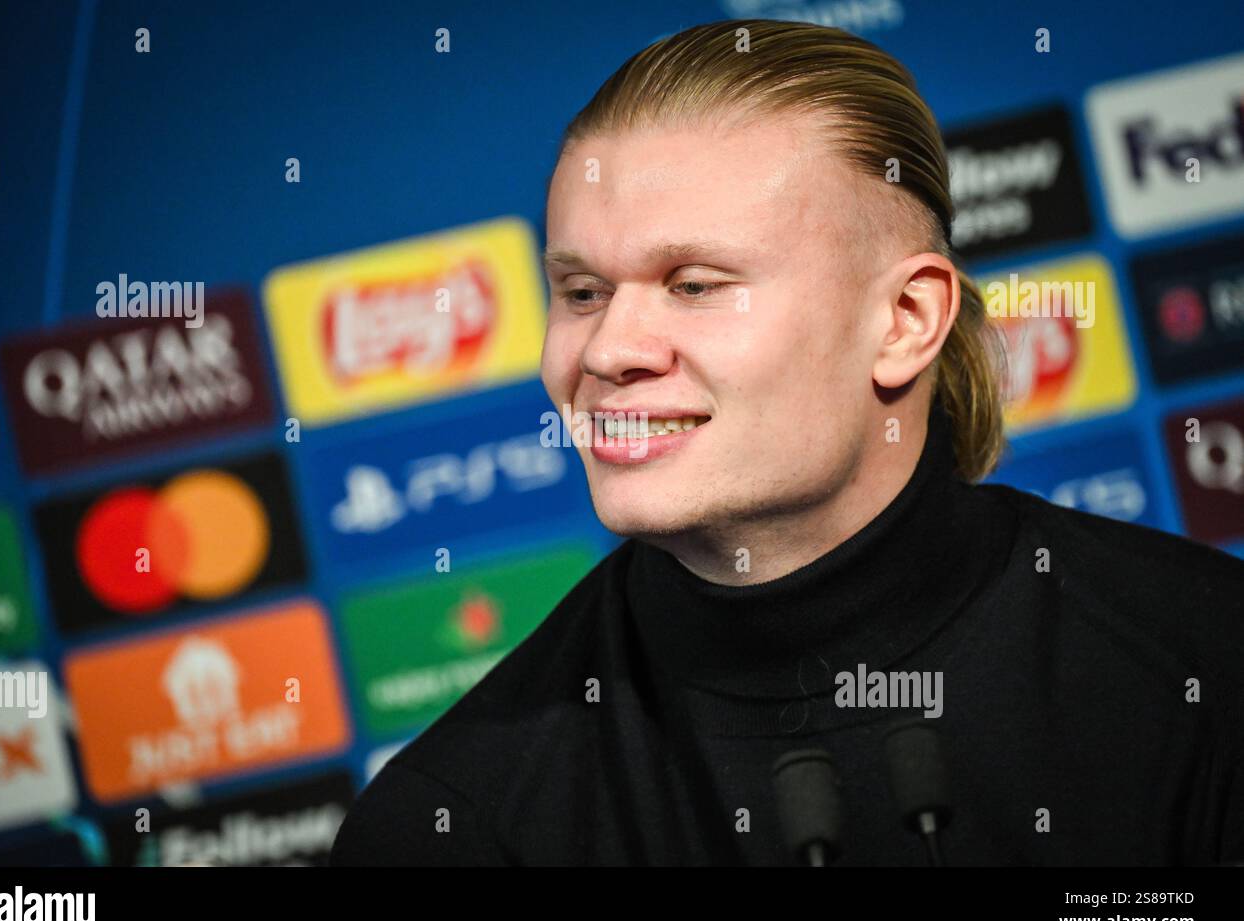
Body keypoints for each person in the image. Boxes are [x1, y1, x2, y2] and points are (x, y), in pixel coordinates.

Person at [330, 19, 1244, 865]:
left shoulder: (1207, 667)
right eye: (581, 293)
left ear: (904, 320)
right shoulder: (450, 827)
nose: (606, 351)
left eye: (692, 284)